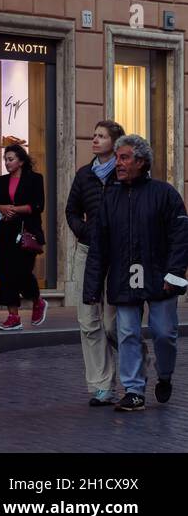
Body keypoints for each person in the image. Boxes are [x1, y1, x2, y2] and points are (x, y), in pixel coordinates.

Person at [83, 134, 188, 412]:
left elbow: (180, 237)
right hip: (122, 277)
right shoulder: (110, 198)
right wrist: (92, 288)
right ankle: (134, 390)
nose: (118, 163)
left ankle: (164, 375)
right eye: (118, 158)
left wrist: (174, 275)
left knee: (164, 333)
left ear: (141, 162)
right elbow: (99, 246)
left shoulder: (165, 194)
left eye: (124, 158)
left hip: (160, 277)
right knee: (127, 332)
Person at [65, 120, 125, 406]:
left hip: (117, 255)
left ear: (114, 142)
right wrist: (84, 230)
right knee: (88, 321)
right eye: (94, 135)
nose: (95, 139)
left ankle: (135, 363)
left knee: (113, 324)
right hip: (88, 252)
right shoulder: (84, 175)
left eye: (101, 136)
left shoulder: (125, 174)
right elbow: (71, 210)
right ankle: (102, 385)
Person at [0, 143, 47, 331]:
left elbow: (38, 205)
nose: (7, 163)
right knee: (5, 275)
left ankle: (37, 300)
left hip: (26, 233)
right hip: (3, 235)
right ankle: (13, 316)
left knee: (22, 273)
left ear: (21, 161)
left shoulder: (35, 179)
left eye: (11, 159)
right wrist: (1, 208)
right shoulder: (0, 181)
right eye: (5, 159)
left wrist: (15, 209)